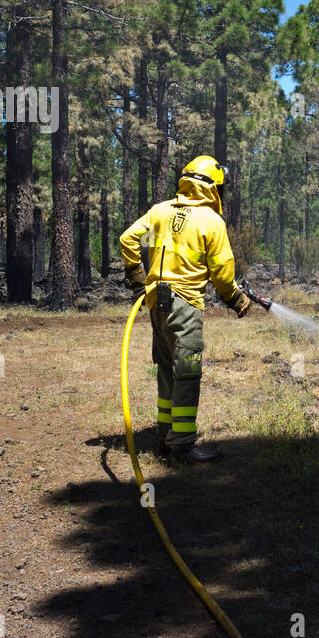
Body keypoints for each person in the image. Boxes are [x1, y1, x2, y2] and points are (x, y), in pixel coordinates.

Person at [119, 155, 251, 463]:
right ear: (213, 188)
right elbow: (221, 272)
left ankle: (165, 434)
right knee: (188, 372)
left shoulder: (160, 211)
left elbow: (128, 239)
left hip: (156, 303)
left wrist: (139, 281)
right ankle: (182, 444)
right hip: (186, 304)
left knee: (166, 369)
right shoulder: (211, 221)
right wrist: (236, 299)